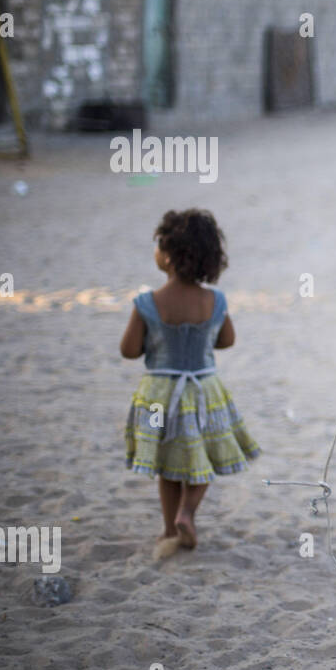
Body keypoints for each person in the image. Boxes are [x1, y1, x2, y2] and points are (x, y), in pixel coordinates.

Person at [120, 209, 260, 556]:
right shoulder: (215, 300)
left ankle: (169, 528)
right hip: (202, 392)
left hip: (158, 396)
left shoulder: (147, 303)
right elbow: (227, 340)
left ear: (167, 255)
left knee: (167, 463)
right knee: (204, 459)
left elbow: (128, 350)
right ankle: (188, 512)